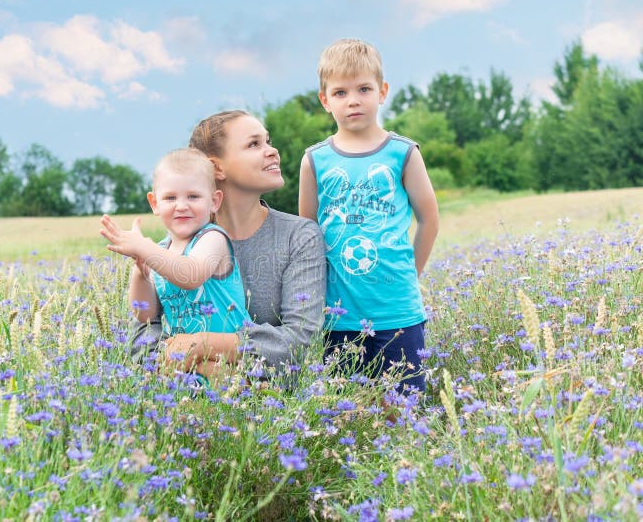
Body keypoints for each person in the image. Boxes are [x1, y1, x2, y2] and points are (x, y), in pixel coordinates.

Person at [116, 110, 327, 383]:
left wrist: (203, 344)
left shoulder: (298, 236)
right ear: (216, 167)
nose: (273, 151)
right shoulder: (167, 253)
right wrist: (208, 372)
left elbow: (297, 342)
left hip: (271, 408)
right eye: (254, 144)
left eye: (268, 141)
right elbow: (141, 340)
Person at [298, 38, 439, 393]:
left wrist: (411, 273)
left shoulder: (402, 153)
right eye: (341, 92)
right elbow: (309, 234)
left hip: (398, 311)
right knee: (350, 412)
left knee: (405, 408)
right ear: (325, 100)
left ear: (382, 91)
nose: (353, 100)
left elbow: (429, 219)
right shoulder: (315, 160)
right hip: (340, 316)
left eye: (363, 88)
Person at [100, 149, 252, 381]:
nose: (181, 205)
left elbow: (190, 275)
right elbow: (145, 314)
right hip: (183, 362)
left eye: (193, 197)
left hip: (225, 357)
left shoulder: (212, 238)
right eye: (170, 198)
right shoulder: (160, 252)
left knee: (223, 393)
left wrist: (145, 249)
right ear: (155, 203)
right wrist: (140, 273)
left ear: (214, 201)